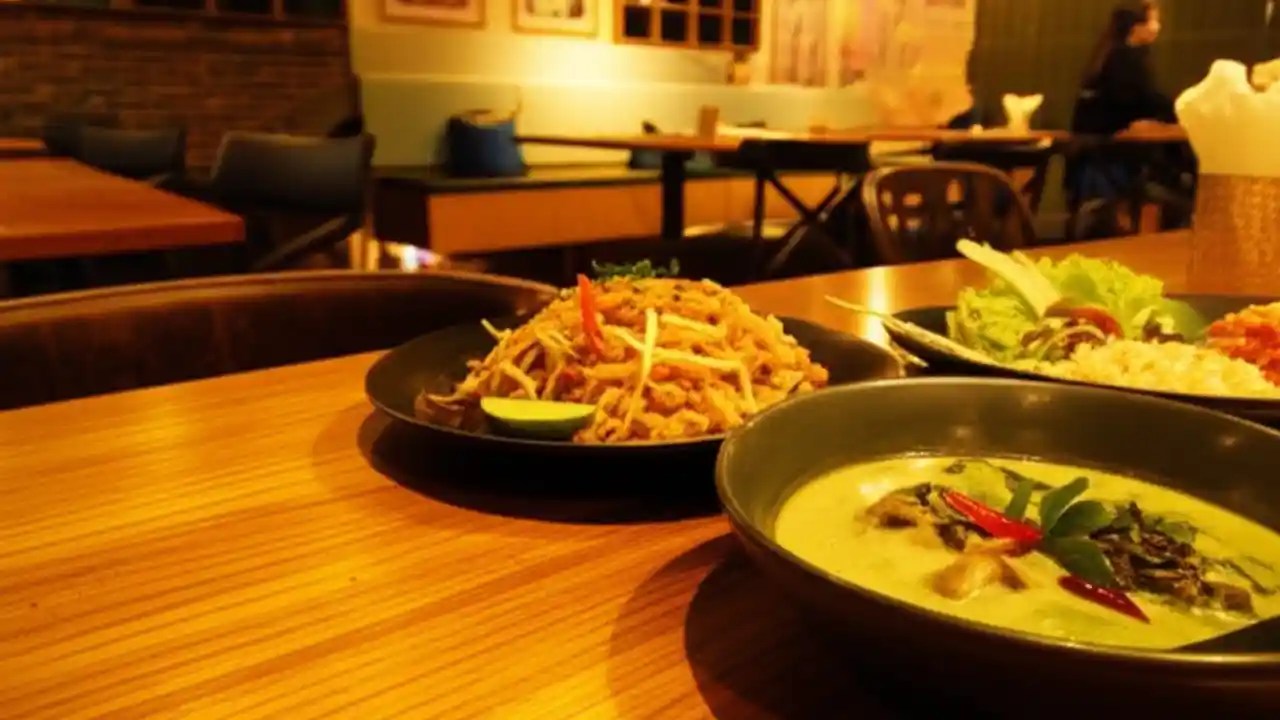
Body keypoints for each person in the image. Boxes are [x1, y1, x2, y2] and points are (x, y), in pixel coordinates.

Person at [1068, 2, 1194, 237]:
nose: (1158, 27)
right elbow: (1147, 101)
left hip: (1092, 155)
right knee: (1179, 183)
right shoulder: (1126, 60)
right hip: (1112, 158)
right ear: (1136, 26)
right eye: (1153, 20)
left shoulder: (1107, 54)